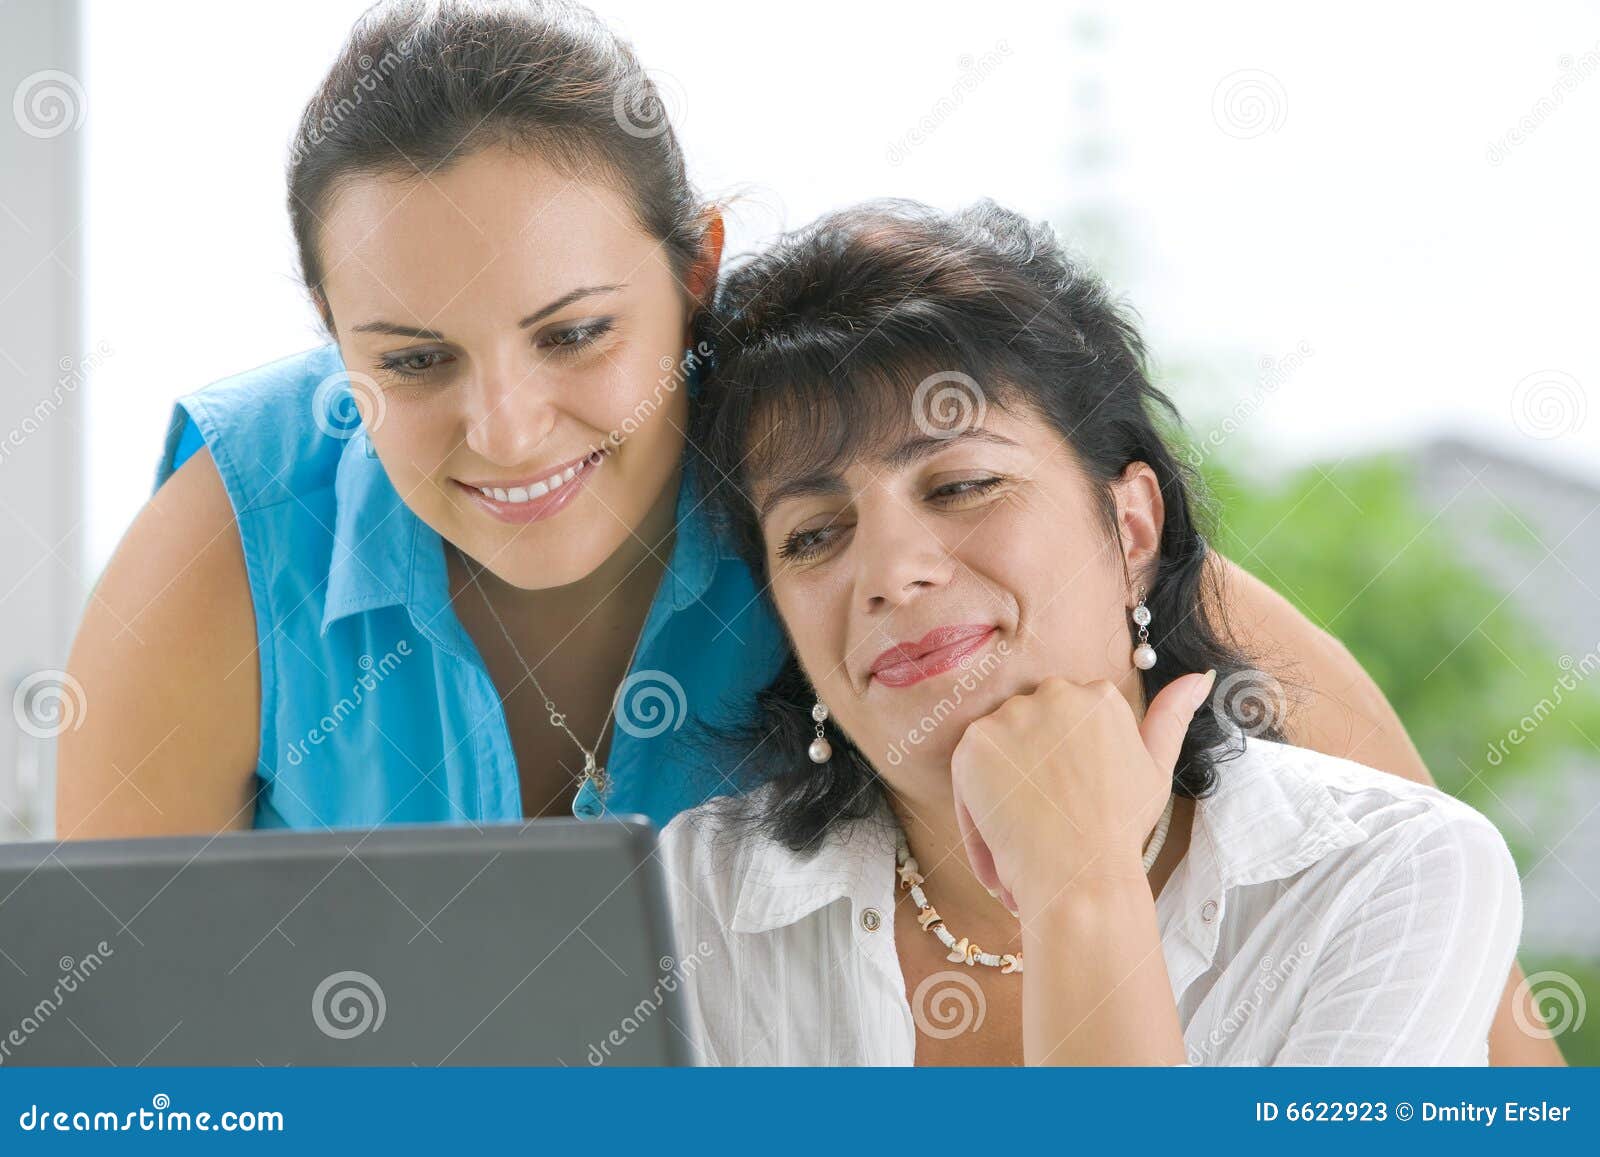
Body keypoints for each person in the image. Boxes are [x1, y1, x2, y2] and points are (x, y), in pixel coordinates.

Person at [54, 1, 1559, 1061]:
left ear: (696, 273)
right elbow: (93, 1069)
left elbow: (1118, 585)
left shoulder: (834, 475)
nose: (507, 428)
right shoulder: (227, 552)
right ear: (332, 344)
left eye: (577, 331)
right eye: (411, 359)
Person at [661, 199, 1527, 1065]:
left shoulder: (1392, 877)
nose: (888, 573)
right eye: (812, 535)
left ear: (1133, 531)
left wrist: (1080, 885)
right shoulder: (688, 898)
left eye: (961, 484)